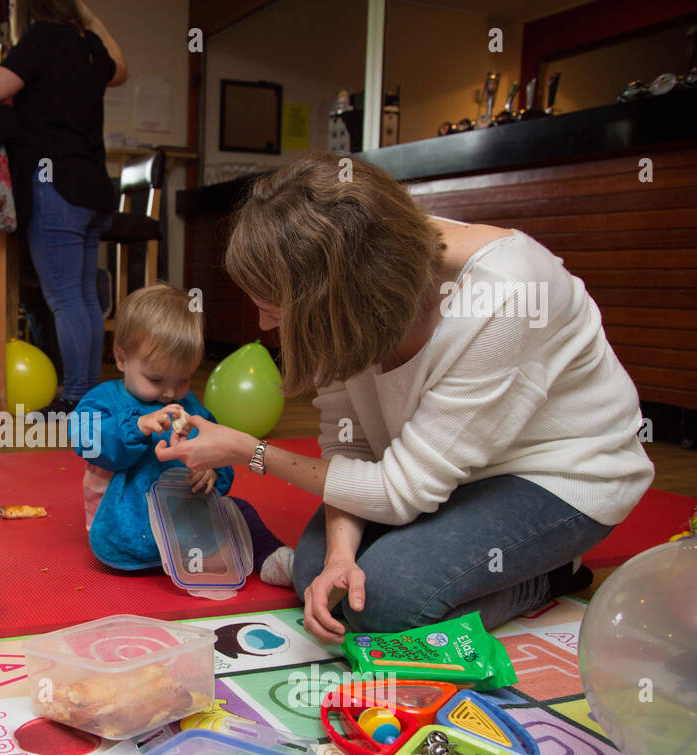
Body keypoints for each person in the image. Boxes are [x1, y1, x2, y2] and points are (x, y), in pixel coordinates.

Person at [156, 153, 654, 643]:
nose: (266, 324)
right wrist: (339, 558)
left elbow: (399, 492)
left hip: (556, 475)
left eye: (274, 307)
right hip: (436, 471)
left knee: (385, 604)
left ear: (337, 297)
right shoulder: (350, 288)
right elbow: (350, 446)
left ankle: (549, 573)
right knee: (318, 581)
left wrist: (250, 452)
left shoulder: (507, 297)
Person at [73, 283, 291, 582]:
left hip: (184, 522)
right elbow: (85, 439)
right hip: (125, 521)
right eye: (156, 379)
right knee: (138, 520)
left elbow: (219, 451)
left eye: (183, 380)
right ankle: (152, 555)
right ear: (122, 358)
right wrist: (136, 428)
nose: (170, 393)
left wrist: (212, 472)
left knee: (241, 511)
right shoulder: (105, 400)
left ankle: (271, 558)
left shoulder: (190, 408)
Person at [0, 0, 127, 415]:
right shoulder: (88, 44)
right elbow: (121, 68)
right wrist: (89, 14)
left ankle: (78, 394)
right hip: (93, 185)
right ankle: (89, 393)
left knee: (65, 298)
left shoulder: (42, 37)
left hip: (56, 183)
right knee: (82, 297)